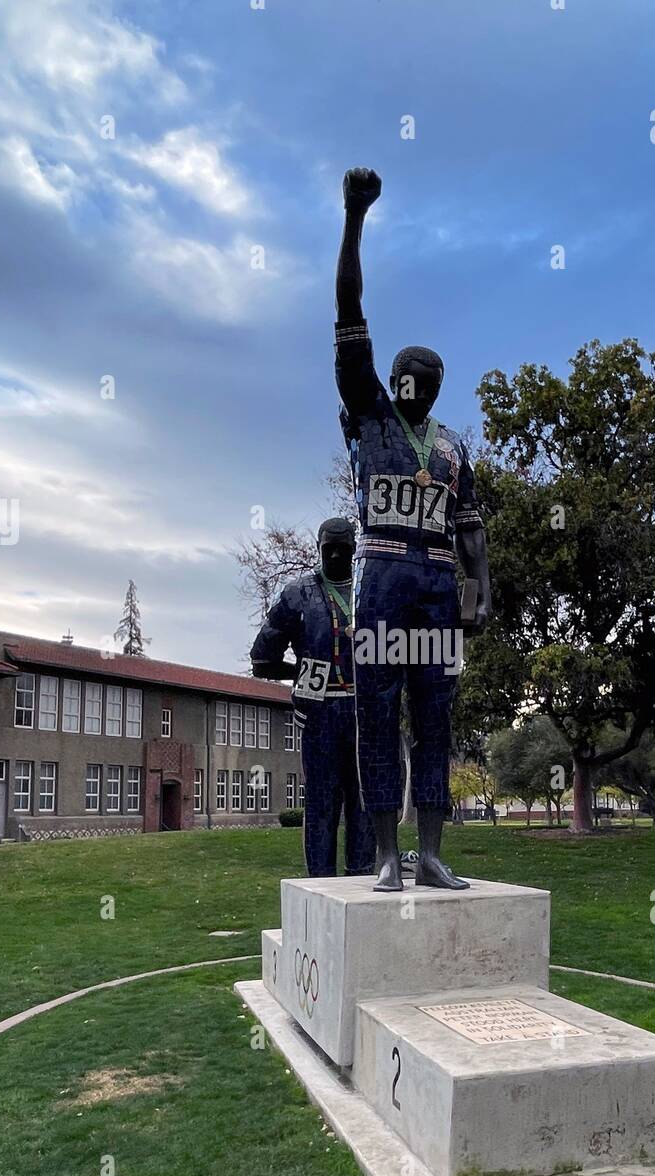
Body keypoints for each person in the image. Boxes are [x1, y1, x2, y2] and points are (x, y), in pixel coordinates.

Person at [334, 166, 492, 892]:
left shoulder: (454, 447)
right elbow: (347, 305)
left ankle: (429, 851)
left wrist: (481, 586)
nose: (410, 384)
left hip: (435, 587)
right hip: (382, 581)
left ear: (436, 388)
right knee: (377, 713)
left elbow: (470, 525)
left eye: (422, 378)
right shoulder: (369, 416)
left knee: (435, 715)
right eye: (403, 372)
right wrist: (355, 216)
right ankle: (383, 854)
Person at [250, 517, 376, 878]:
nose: (336, 554)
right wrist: (303, 671)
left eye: (343, 548)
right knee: (321, 801)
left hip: (367, 710)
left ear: (354, 550)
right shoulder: (298, 594)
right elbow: (262, 659)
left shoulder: (370, 591)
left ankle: (364, 876)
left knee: (365, 798)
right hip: (319, 713)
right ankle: (320, 881)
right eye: (328, 548)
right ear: (318, 549)